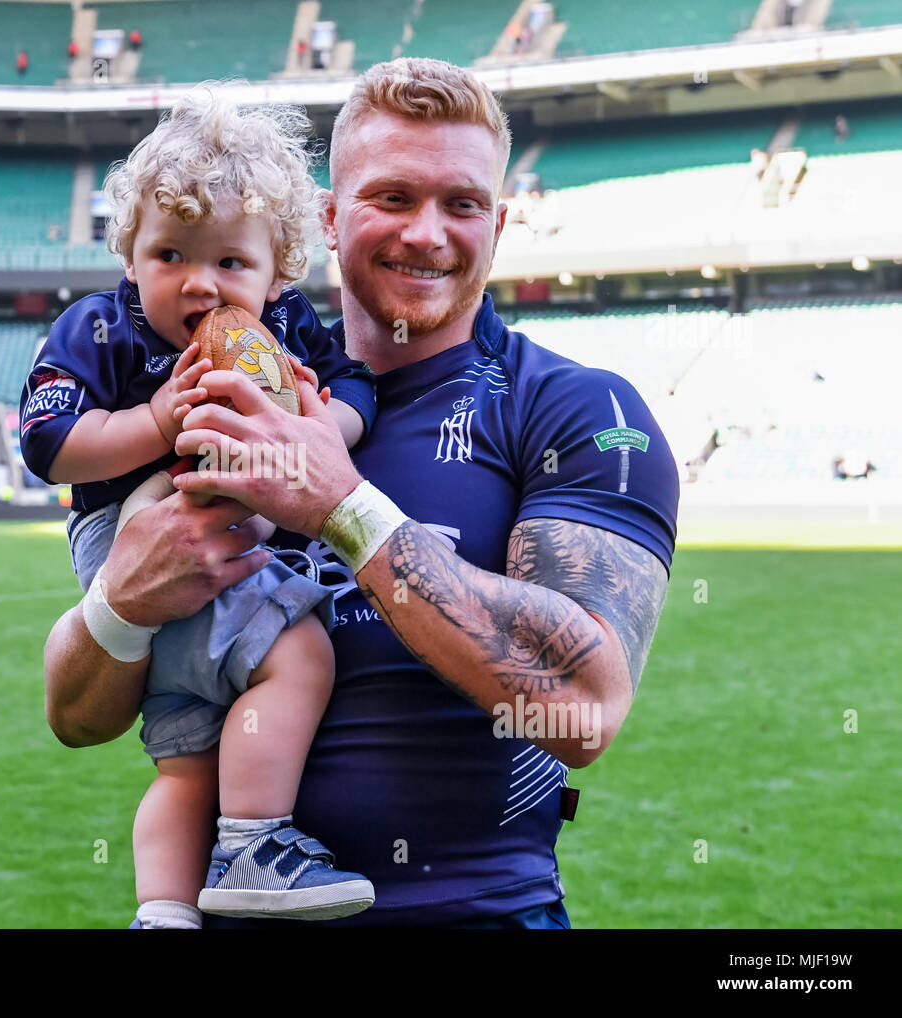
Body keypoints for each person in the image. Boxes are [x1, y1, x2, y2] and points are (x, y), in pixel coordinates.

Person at [42, 58, 679, 928]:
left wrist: (343, 508)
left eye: (460, 204)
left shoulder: (571, 407)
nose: (426, 233)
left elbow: (582, 707)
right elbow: (77, 718)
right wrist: (120, 602)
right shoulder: (211, 391)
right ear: (332, 220)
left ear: (497, 224)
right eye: (393, 197)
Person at [20, 88, 378, 929]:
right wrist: (153, 422)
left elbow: (353, 385)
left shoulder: (285, 325)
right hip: (134, 538)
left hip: (225, 546)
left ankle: (165, 912)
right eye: (170, 255)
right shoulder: (99, 329)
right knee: (301, 655)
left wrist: (319, 424)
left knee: (185, 763)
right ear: (130, 254)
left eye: (229, 263)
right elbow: (47, 441)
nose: (198, 285)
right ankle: (254, 842)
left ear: (278, 272)